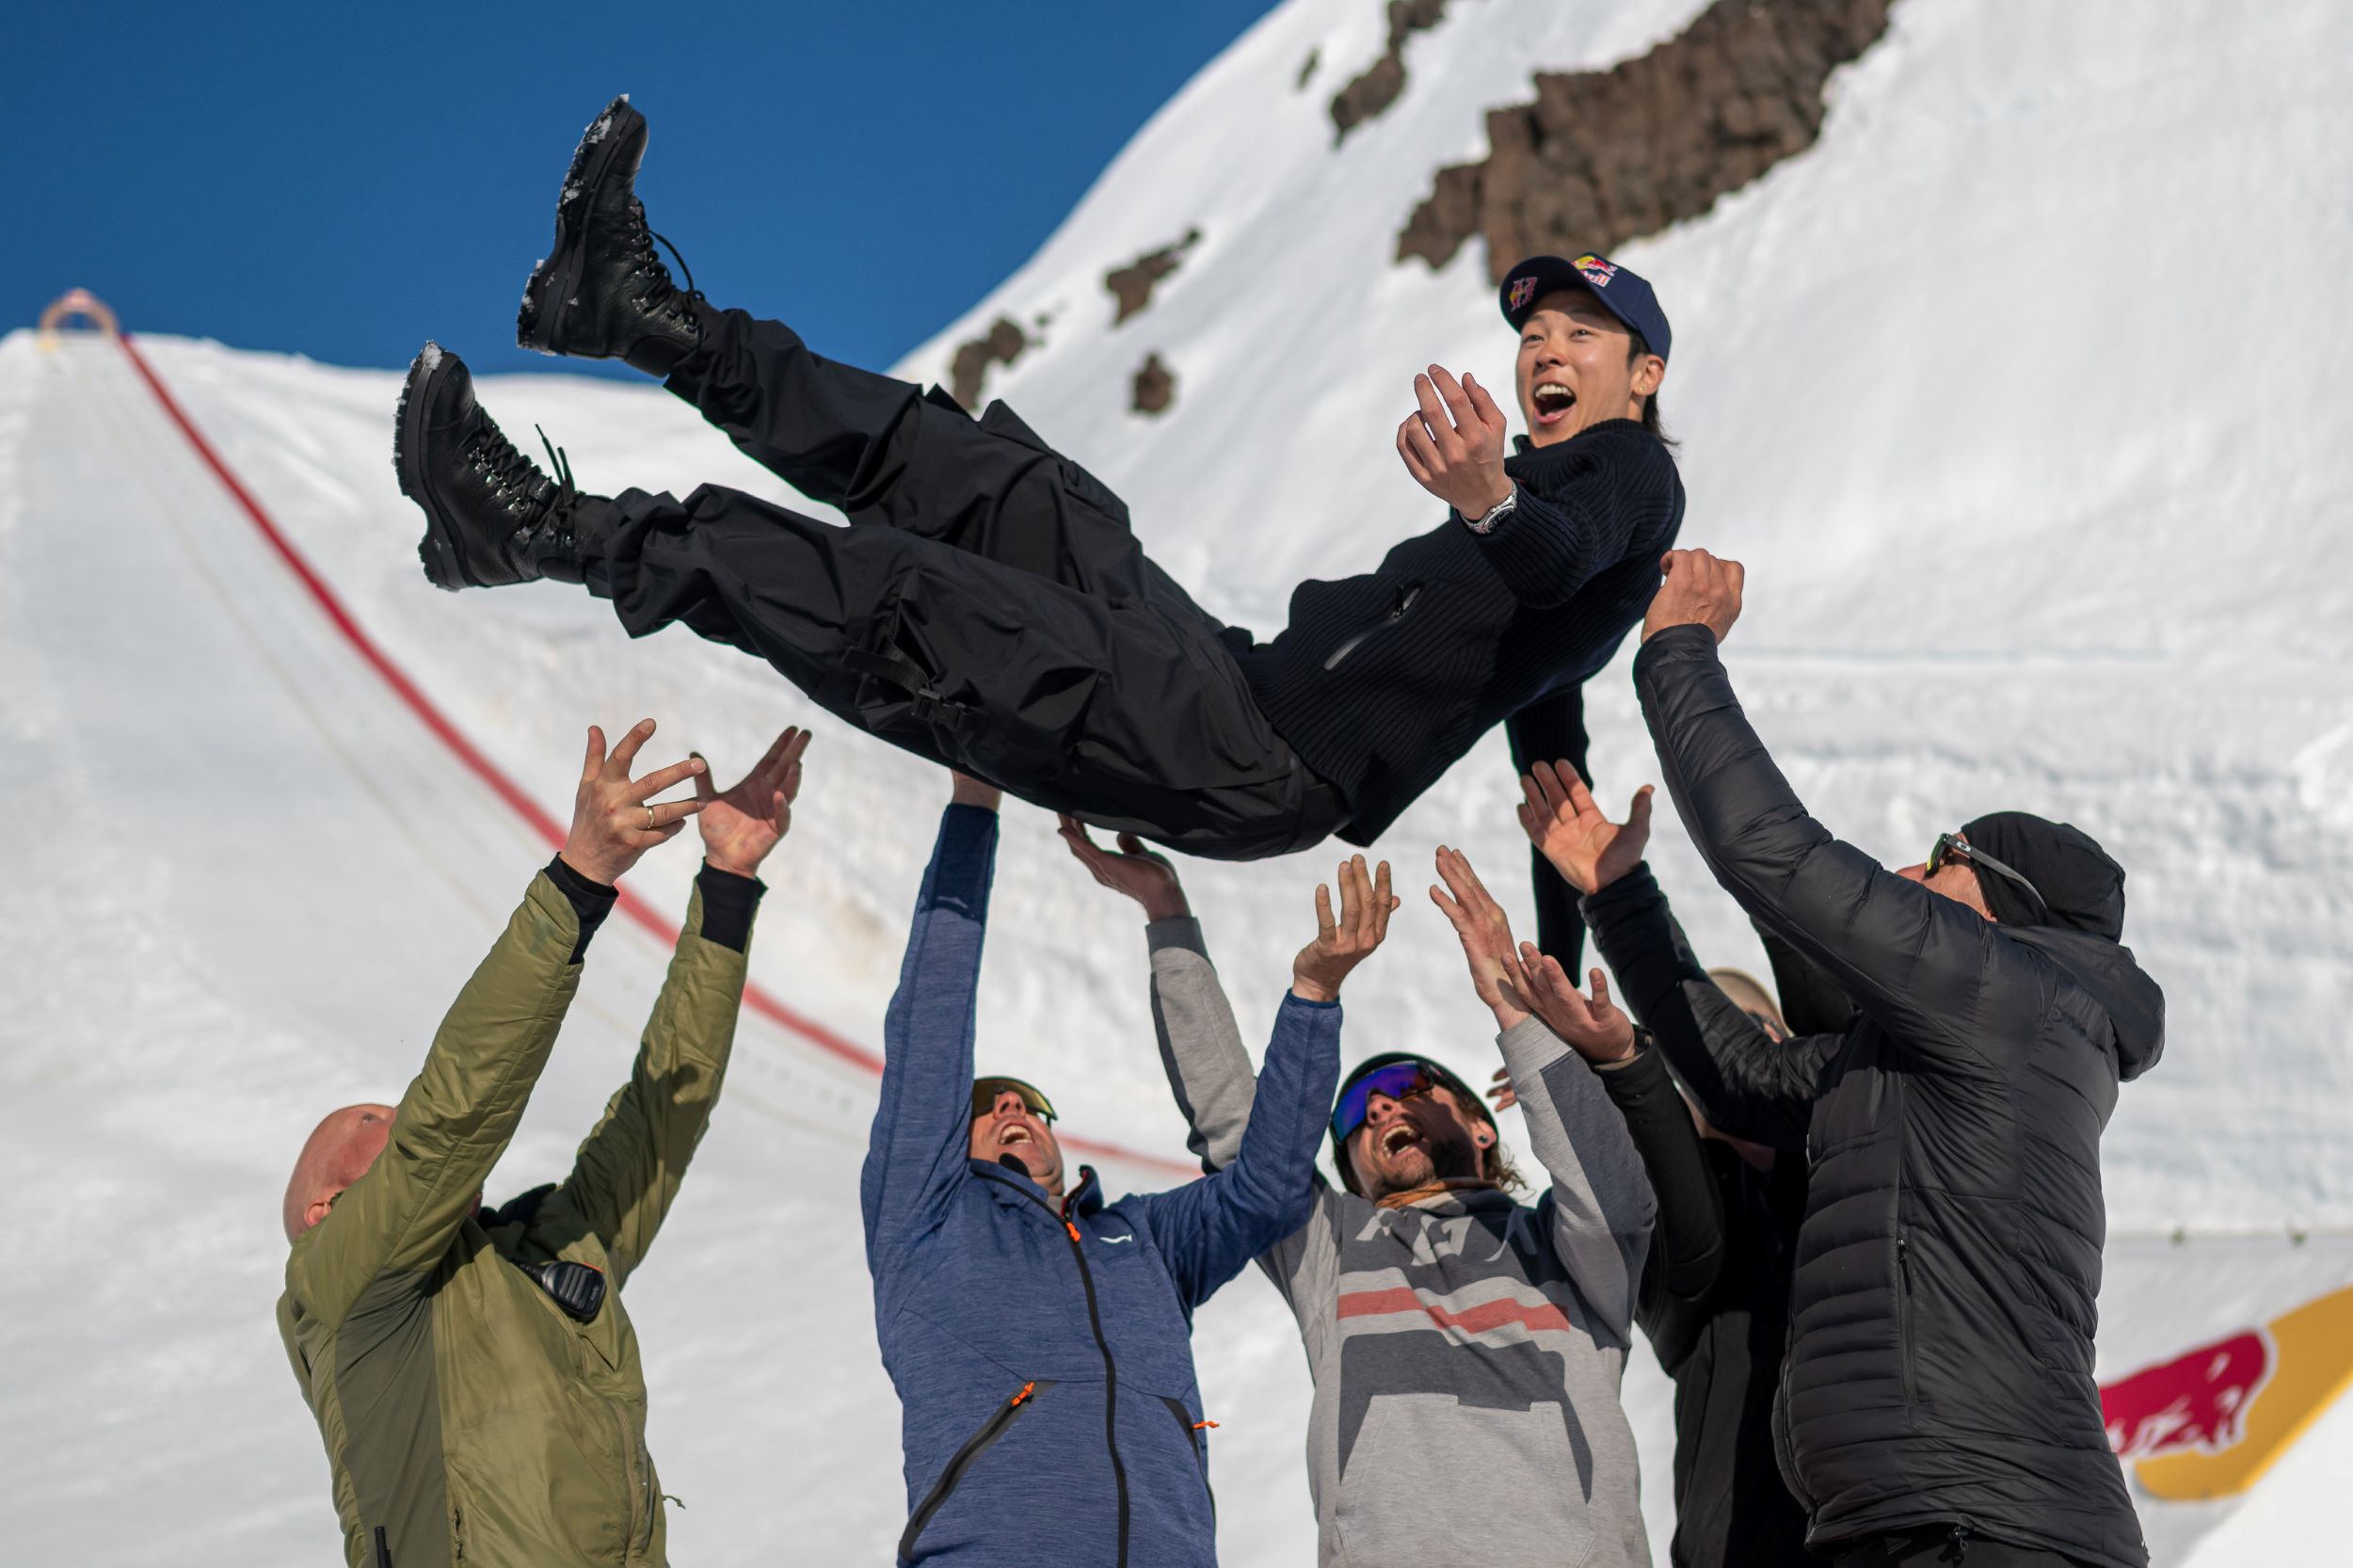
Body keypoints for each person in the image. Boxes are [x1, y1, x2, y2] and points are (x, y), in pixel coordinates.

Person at [392, 95, 1684, 862]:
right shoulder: (1554, 497)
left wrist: (1489, 504)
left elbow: (1559, 559)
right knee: (1005, 485)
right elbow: (1547, 656)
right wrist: (1569, 897)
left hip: (1258, 759)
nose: (1545, 351)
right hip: (1228, 673)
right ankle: (640, 315)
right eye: (1532, 333)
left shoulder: (1626, 479)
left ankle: (537, 529)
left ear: (1644, 379)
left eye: (1583, 336)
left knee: (913, 597)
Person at [1581, 549, 2165, 1568]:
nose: (1909, 871)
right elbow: (1742, 1083)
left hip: (1984, 1534)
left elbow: (1778, 856)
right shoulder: (1932, 1047)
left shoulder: (2010, 993)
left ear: (2010, 905)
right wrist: (1622, 895)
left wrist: (1679, 650)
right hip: (1906, 1526)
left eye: (1943, 858)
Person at [276, 719, 808, 1568]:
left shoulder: (541, 1259)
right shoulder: (341, 1291)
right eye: (369, 1124)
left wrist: (729, 883)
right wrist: (579, 879)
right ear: (323, 1206)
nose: (400, 1117)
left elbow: (661, 1118)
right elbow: (452, 1116)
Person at [1064, 819, 1657, 1567]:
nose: (1378, 1108)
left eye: (1407, 1087)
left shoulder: (1560, 1247)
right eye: (1355, 1114)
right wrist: (1175, 922)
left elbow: (1614, 1197)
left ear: (1480, 1127)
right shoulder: (1333, 1251)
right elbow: (1236, 1132)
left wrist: (1515, 1014)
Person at [863, 776, 1385, 1566]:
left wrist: (1309, 994)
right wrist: (976, 804)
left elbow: (1271, 1186)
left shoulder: (1141, 1238)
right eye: (987, 1103)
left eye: (1031, 1103)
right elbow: (932, 1011)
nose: (1013, 1109)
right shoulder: (927, 1218)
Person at [1493, 760, 1823, 1568]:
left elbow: (1834, 1014)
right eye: (1718, 1038)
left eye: (1759, 1029)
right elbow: (1670, 1174)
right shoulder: (1683, 1233)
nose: (1744, 1047)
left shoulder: (1843, 1176)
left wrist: (1756, 858)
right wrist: (1612, 1064)